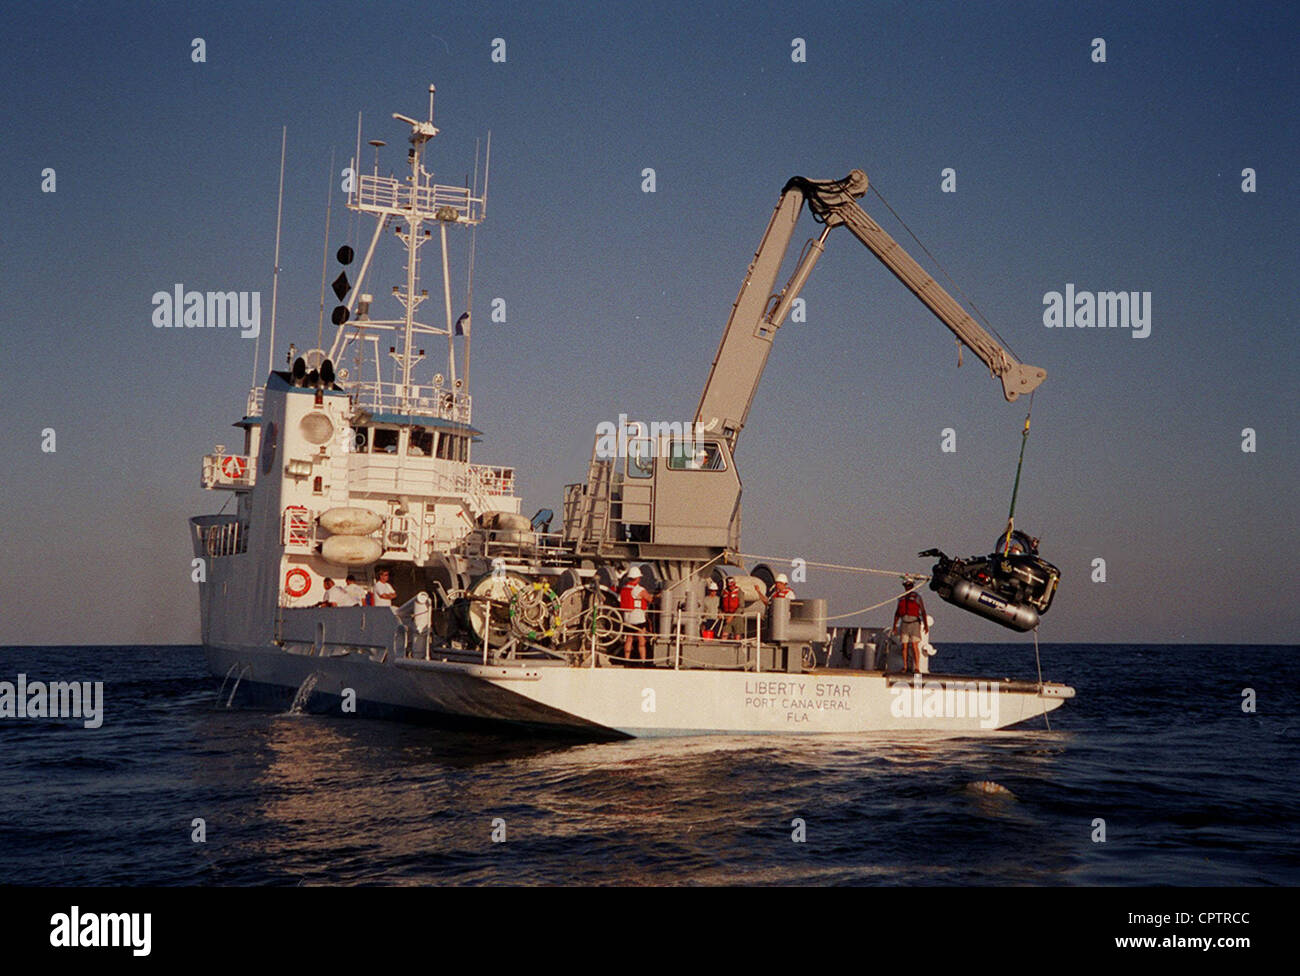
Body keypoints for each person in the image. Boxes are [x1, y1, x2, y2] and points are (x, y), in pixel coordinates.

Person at [619, 566, 653, 665]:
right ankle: (642, 661)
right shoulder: (640, 590)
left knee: (629, 639)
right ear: (638, 578)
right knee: (641, 641)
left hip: (627, 618)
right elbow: (650, 599)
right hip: (638, 618)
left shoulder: (624, 589)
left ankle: (627, 660)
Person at [893, 580, 928, 673]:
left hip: (914, 623)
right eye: (906, 586)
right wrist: (894, 626)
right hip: (904, 623)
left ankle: (917, 667)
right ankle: (905, 666)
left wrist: (926, 625)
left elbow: (923, 611)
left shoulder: (917, 597)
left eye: (909, 586)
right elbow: (897, 613)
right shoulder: (901, 598)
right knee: (904, 646)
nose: (907, 587)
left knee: (914, 645)